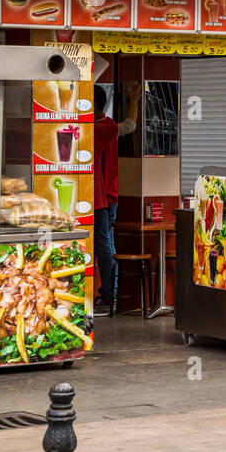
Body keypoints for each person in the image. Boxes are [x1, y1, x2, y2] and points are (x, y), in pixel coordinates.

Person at [93, 83, 139, 310]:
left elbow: (129, 126)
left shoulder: (98, 128)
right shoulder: (109, 126)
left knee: (104, 244)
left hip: (102, 196)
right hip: (109, 194)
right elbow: (130, 125)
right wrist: (134, 101)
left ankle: (109, 293)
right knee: (106, 242)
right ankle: (109, 292)